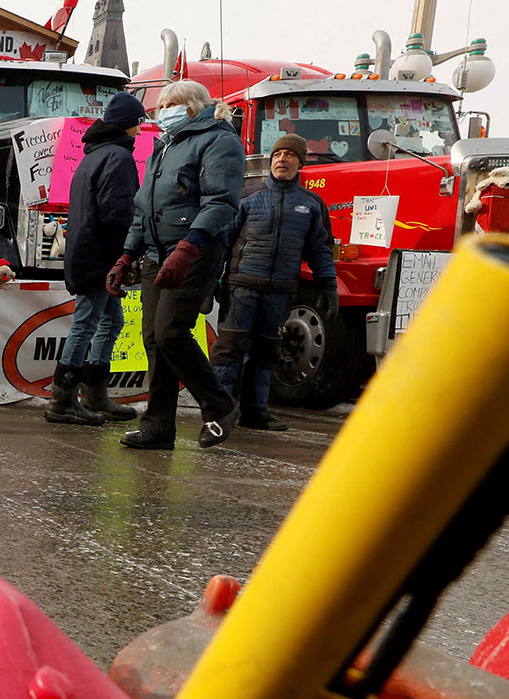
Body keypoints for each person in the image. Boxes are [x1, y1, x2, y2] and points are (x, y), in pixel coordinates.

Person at [109, 79, 243, 449]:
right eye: (161, 105)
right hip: (155, 252)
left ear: (192, 107)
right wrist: (127, 255)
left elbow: (221, 201)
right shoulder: (164, 147)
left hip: (194, 251)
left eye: (170, 105)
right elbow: (144, 209)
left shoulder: (220, 140)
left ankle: (219, 406)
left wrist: (187, 247)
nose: (162, 112)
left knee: (170, 331)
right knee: (153, 338)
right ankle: (157, 426)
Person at [211, 133, 338, 431]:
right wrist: (210, 284)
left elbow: (319, 250)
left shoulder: (311, 204)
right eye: (277, 154)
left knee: (267, 351)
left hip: (280, 292)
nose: (282, 159)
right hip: (242, 286)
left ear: (301, 163)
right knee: (229, 349)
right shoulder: (247, 196)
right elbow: (222, 242)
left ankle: (256, 413)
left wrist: (328, 287)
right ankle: (219, 411)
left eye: (290, 155)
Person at [51, 91, 146, 425]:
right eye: (139, 122)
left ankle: (94, 393)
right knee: (87, 323)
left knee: (111, 321)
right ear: (130, 125)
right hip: (100, 256)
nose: (140, 128)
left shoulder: (93, 154)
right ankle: (62, 400)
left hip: (87, 250)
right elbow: (117, 212)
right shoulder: (118, 158)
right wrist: (127, 254)